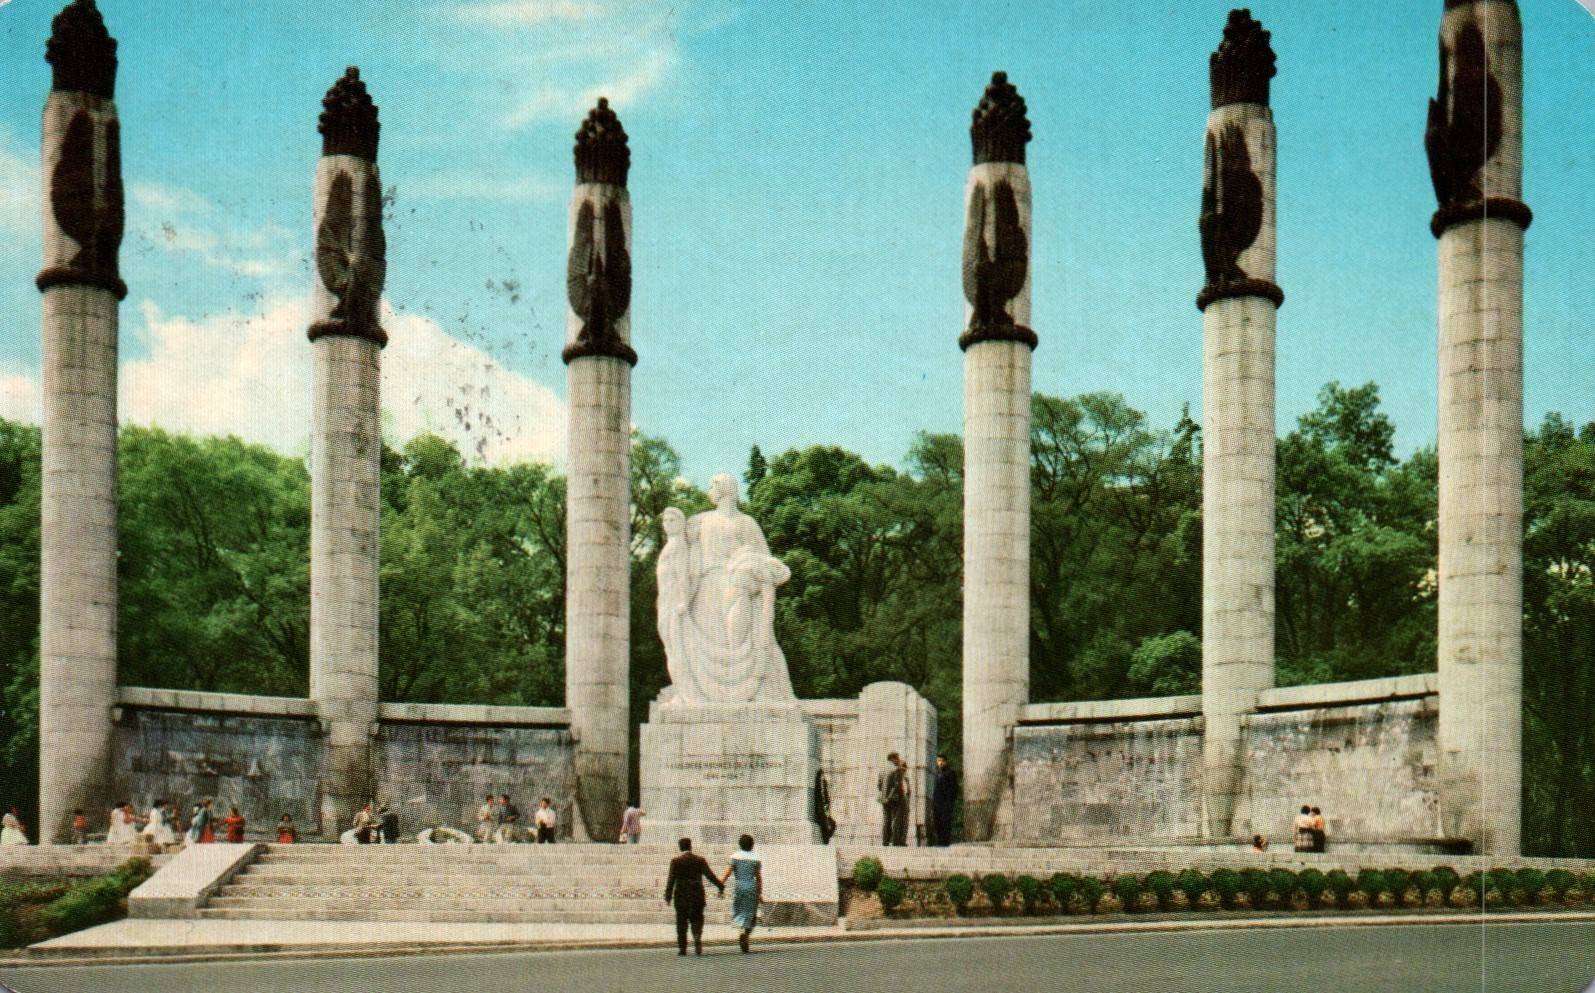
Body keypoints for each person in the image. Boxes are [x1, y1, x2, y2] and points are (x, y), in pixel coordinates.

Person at [664, 838, 724, 956]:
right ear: (690, 847)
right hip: (697, 894)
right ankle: (696, 936)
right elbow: (710, 875)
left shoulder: (675, 861)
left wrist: (668, 896)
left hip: (681, 896)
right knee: (697, 919)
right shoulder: (700, 860)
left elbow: (671, 880)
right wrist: (720, 886)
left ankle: (682, 948)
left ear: (680, 848)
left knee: (681, 922)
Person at [719, 834, 762, 954]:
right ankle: (746, 935)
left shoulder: (735, 857)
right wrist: (760, 893)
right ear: (752, 845)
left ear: (740, 844)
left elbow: (727, 873)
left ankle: (741, 931)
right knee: (751, 912)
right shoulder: (756, 859)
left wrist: (720, 884)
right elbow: (758, 878)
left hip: (739, 886)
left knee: (739, 909)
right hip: (751, 886)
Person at [877, 752, 910, 846]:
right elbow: (897, 785)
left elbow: (879, 785)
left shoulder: (882, 770)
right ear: (893, 758)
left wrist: (885, 796)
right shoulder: (897, 769)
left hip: (884, 799)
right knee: (895, 820)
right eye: (897, 758)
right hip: (894, 798)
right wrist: (892, 796)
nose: (898, 759)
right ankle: (896, 841)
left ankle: (885, 841)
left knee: (886, 820)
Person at [930, 755, 957, 847]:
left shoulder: (951, 772)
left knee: (945, 822)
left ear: (946, 761)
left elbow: (954, 788)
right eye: (938, 761)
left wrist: (950, 802)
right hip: (937, 803)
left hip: (946, 803)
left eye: (942, 760)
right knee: (937, 822)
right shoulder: (937, 773)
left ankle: (946, 842)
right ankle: (940, 841)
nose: (940, 763)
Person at [813, 771, 836, 844]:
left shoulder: (828, 823)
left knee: (821, 795)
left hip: (822, 811)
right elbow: (823, 796)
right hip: (822, 812)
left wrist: (824, 784)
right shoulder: (828, 823)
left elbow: (824, 796)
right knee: (821, 794)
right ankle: (819, 778)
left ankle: (819, 778)